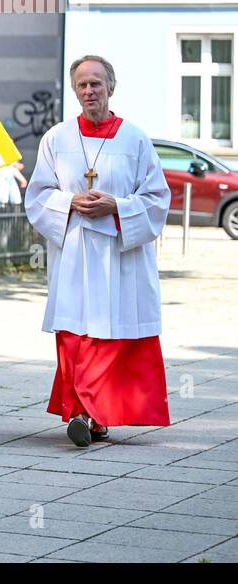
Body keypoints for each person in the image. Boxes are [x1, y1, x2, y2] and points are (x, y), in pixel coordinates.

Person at [25, 55, 171, 446]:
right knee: (74, 334)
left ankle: (90, 415)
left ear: (111, 87)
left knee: (110, 336)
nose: (89, 91)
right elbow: (38, 195)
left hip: (121, 257)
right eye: (82, 85)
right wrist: (69, 203)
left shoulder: (135, 138)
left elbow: (157, 199)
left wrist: (117, 207)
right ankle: (89, 416)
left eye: (96, 83)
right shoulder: (57, 137)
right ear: (74, 90)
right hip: (75, 253)